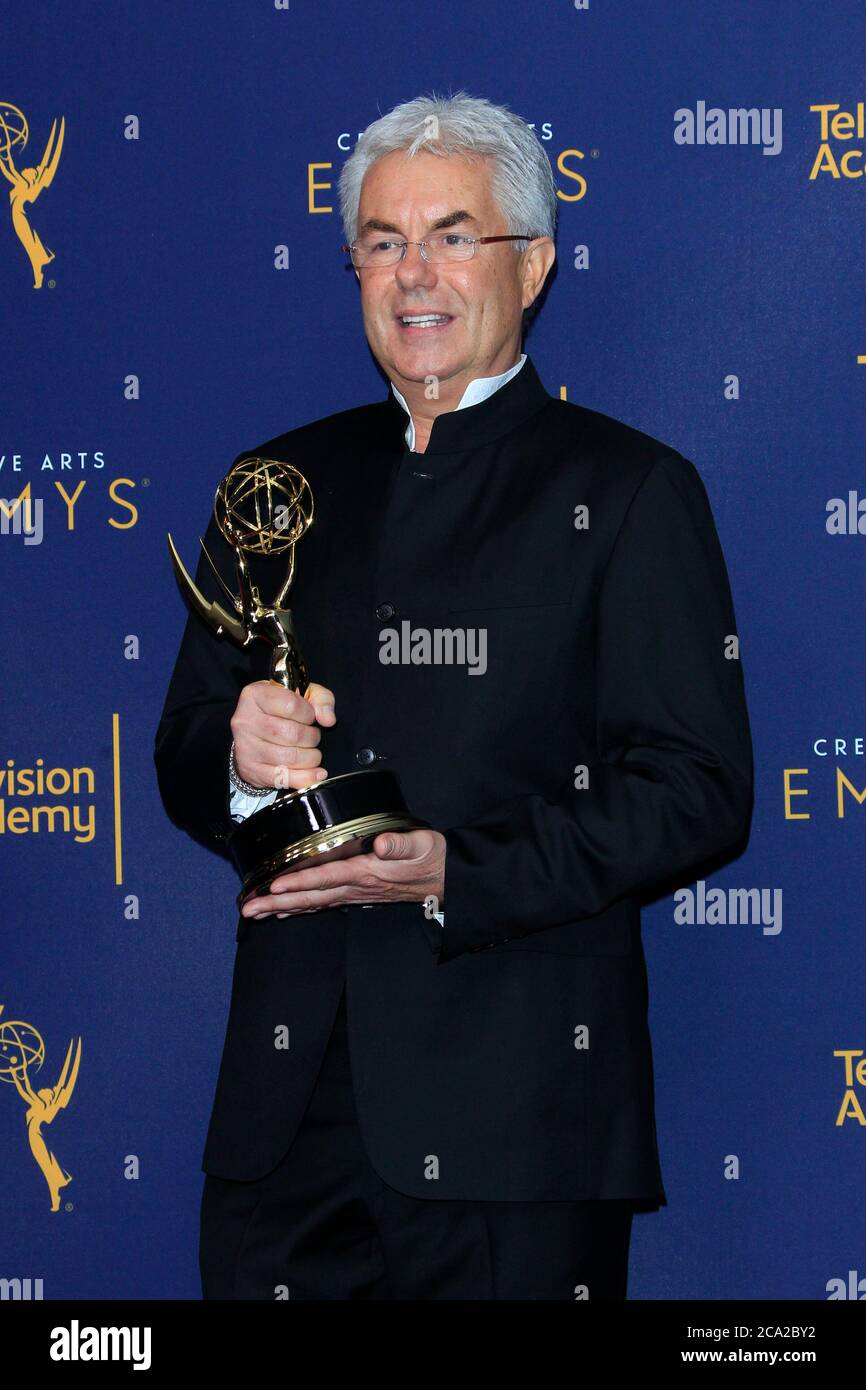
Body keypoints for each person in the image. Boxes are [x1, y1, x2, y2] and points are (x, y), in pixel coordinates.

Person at [154, 91, 753, 1301]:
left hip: (515, 1135)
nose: (411, 273)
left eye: (450, 235)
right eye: (380, 241)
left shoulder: (630, 491)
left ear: (529, 266)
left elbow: (696, 791)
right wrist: (235, 752)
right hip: (284, 1143)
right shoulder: (278, 485)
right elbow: (179, 752)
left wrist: (451, 872)